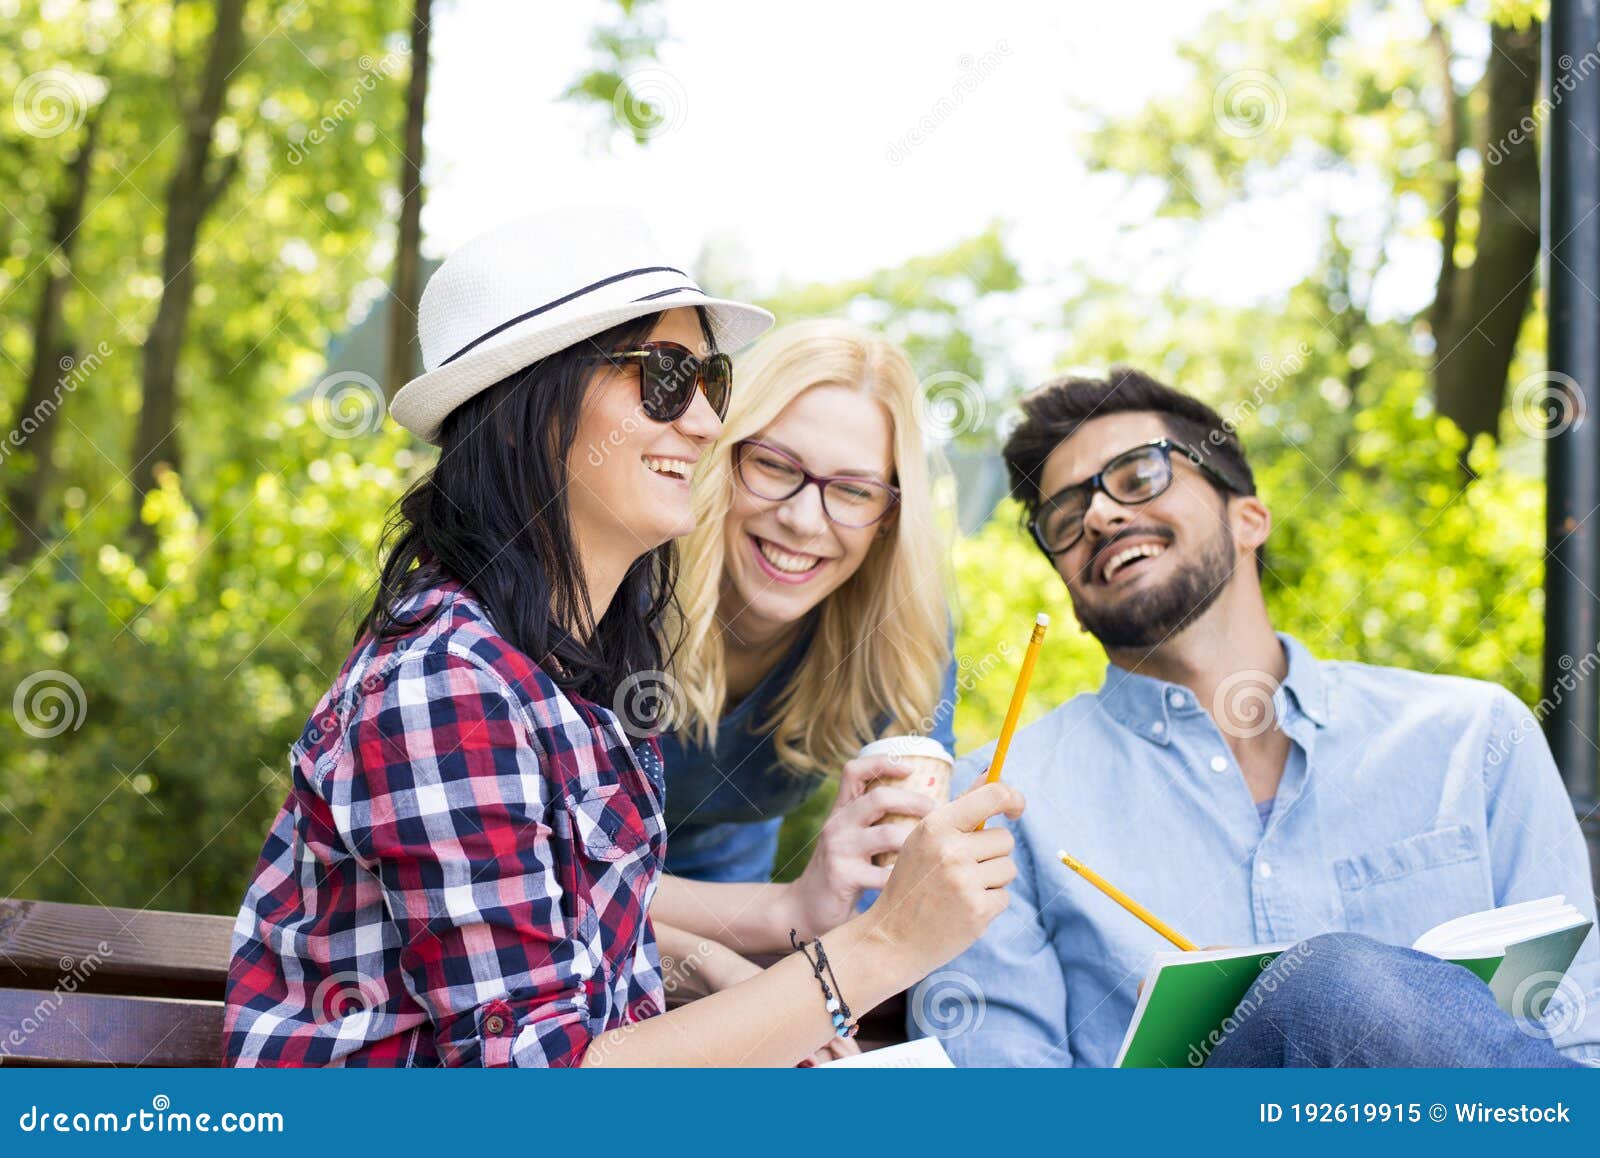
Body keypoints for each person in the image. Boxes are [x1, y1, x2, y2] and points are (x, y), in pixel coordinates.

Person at [222, 206, 1023, 1067]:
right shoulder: (446, 684)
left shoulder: (568, 680)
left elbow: (580, 953)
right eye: (664, 379)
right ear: (535, 404)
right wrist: (880, 949)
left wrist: (726, 965)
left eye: (708, 381)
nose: (709, 425)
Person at [910, 365, 1600, 1067]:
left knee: (1329, 987)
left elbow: (1579, 1044)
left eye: (1138, 476)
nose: (1098, 516)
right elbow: (1004, 1112)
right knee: (1323, 987)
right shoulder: (999, 801)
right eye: (1064, 516)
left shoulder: (1475, 737)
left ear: (1249, 519)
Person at [645, 320, 958, 955]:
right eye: (772, 464)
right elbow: (537, 874)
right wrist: (717, 961)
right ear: (719, 456)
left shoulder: (897, 637)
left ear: (889, 517)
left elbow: (880, 898)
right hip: (576, 902)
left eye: (852, 490)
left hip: (735, 898)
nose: (801, 519)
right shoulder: (622, 586)